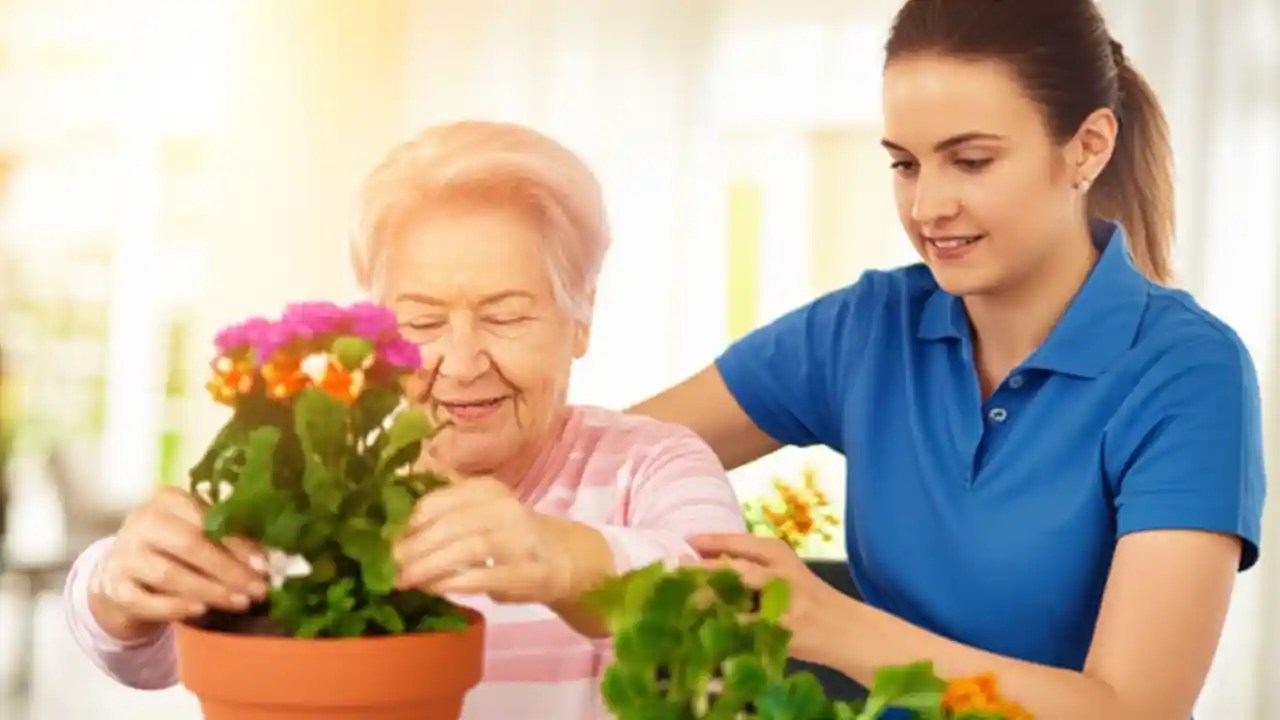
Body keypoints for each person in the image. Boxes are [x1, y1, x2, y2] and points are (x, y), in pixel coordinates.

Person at [631, 1, 1267, 718]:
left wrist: (836, 628)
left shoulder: (1187, 373)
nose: (927, 205)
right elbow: (613, 458)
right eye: (905, 164)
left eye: (971, 161)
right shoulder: (869, 327)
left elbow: (1132, 709)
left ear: (1087, 147)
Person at [63, 121, 746, 718]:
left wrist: (561, 559)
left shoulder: (650, 466)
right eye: (421, 321)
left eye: (506, 316)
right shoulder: (324, 485)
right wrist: (116, 584)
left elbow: (739, 616)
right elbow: (144, 659)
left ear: (582, 317)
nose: (461, 360)